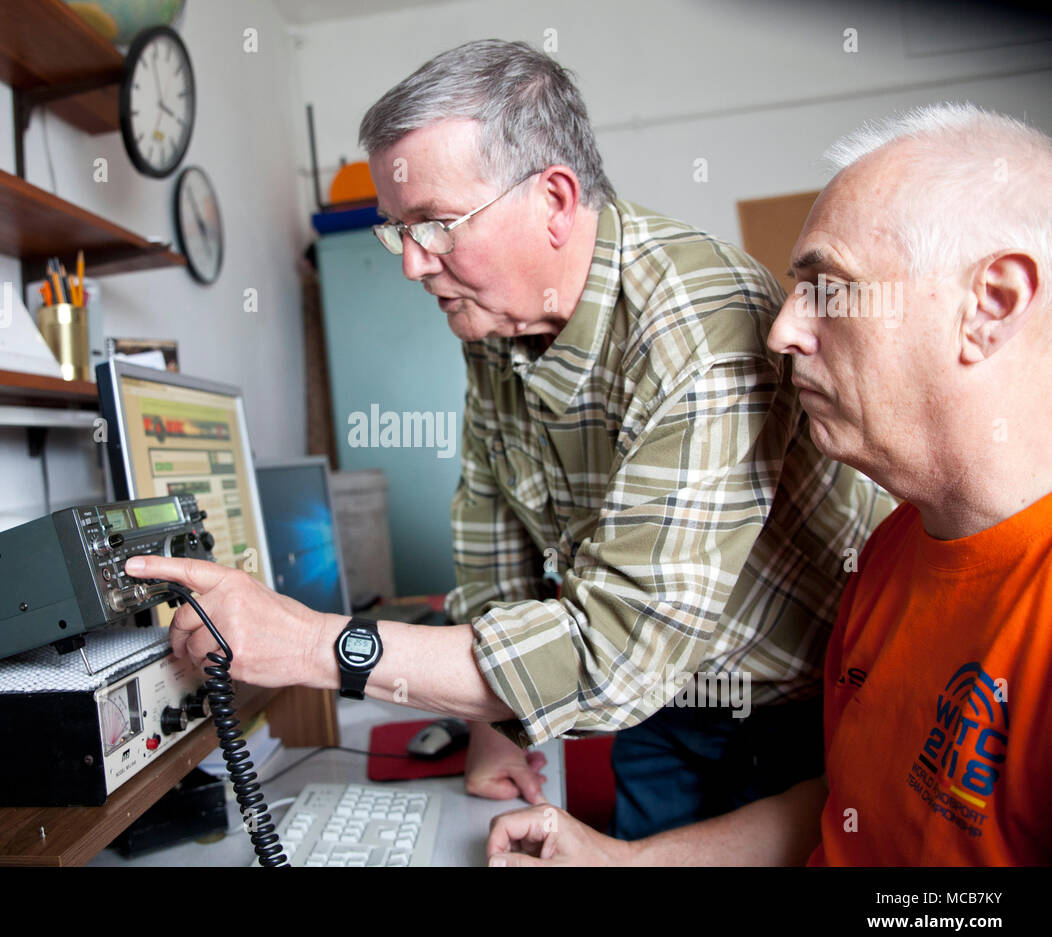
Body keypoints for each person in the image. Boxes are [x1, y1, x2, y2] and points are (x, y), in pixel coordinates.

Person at [126, 39, 890, 840]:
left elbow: (618, 656)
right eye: (398, 232)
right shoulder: (493, 322)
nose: (413, 265)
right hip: (671, 711)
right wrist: (496, 724)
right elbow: (495, 540)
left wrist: (316, 645)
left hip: (809, 709)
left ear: (555, 200)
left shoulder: (696, 326)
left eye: (435, 226)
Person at [485, 102, 1052, 866]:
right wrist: (624, 862)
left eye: (828, 287)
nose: (783, 331)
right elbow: (840, 806)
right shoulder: (887, 554)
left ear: (991, 306)